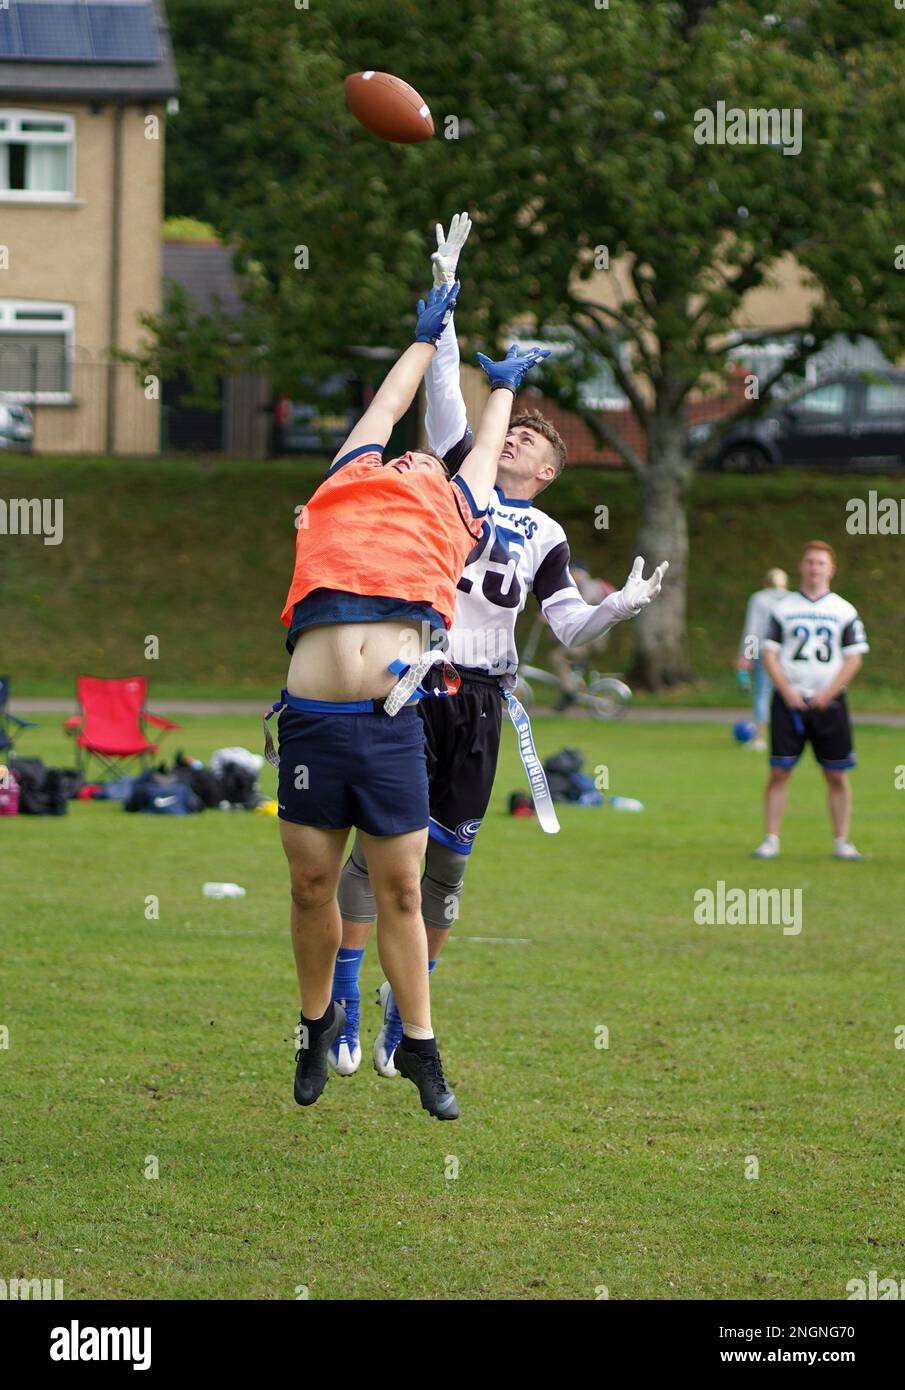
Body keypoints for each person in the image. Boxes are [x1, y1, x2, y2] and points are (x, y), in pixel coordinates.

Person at [328, 212, 668, 1078]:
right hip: (417, 681)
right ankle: (342, 995)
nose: (508, 435)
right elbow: (446, 398)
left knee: (444, 873)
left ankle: (410, 1020)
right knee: (377, 853)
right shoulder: (457, 479)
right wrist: (443, 307)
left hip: (484, 699)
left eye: (523, 437)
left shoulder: (546, 530)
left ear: (548, 470)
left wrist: (619, 607)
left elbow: (565, 630)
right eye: (507, 429)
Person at [273, 273, 549, 1119]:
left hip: (390, 721)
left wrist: (501, 389)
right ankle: (316, 1024)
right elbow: (388, 406)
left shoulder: (456, 507)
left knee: (400, 890)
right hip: (315, 720)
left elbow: (476, 445)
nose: (416, 457)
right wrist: (426, 339)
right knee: (313, 887)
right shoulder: (350, 476)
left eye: (435, 457)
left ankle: (421, 1046)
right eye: (407, 451)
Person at [752, 541, 868, 861]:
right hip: (789, 702)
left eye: (821, 563)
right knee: (779, 771)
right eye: (810, 562)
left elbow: (853, 658)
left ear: (831, 569)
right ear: (801, 567)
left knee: (836, 773)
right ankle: (771, 839)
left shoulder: (843, 610)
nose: (814, 568)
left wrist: (829, 692)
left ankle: (842, 840)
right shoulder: (783, 609)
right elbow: (770, 653)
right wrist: (787, 691)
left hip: (829, 705)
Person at [549, 560, 618, 711]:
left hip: (591, 641)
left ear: (580, 573)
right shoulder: (590, 587)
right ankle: (574, 684)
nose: (570, 576)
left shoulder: (589, 588)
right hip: (589, 639)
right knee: (565, 657)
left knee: (557, 657)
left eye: (572, 572)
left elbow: (578, 610)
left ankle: (569, 693)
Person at [736, 567, 789, 750]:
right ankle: (787, 736)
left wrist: (747, 655)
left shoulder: (759, 599)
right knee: (786, 693)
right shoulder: (792, 599)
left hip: (765, 652)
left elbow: (753, 628)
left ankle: (760, 738)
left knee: (762, 694)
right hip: (787, 654)